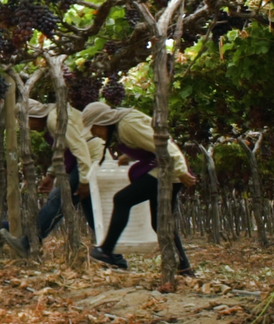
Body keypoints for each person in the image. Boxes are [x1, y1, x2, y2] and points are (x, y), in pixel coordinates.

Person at [82, 102, 197, 275]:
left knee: (123, 199)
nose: (93, 133)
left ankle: (106, 250)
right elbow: (147, 143)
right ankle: (184, 268)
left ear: (102, 122)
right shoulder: (122, 127)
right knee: (160, 223)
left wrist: (181, 170)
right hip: (162, 169)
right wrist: (128, 157)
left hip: (167, 171)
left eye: (93, 128)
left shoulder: (128, 125)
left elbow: (164, 145)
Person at [0, 99, 95, 255]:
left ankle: (27, 242)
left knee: (59, 198)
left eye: (26, 122)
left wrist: (84, 179)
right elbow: (63, 151)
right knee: (91, 208)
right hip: (88, 159)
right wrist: (51, 175)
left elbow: (80, 148)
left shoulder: (54, 119)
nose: (29, 128)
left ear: (32, 116)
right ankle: (108, 249)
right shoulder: (52, 120)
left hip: (89, 159)